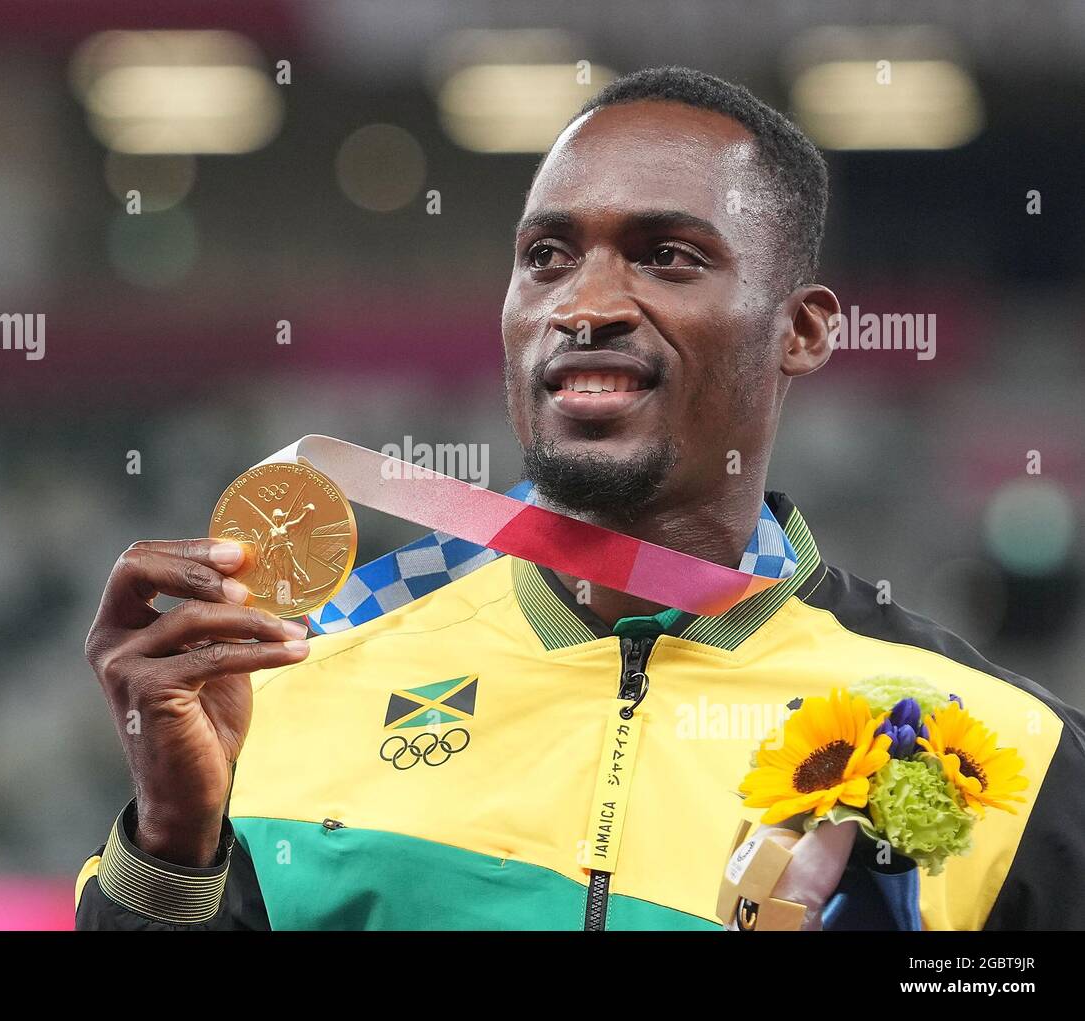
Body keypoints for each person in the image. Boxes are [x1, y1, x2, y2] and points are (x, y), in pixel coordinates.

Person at [74, 67, 1085, 931]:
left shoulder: (1004, 751)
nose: (585, 305)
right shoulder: (284, 699)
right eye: (546, 257)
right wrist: (168, 843)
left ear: (803, 328)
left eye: (666, 257)